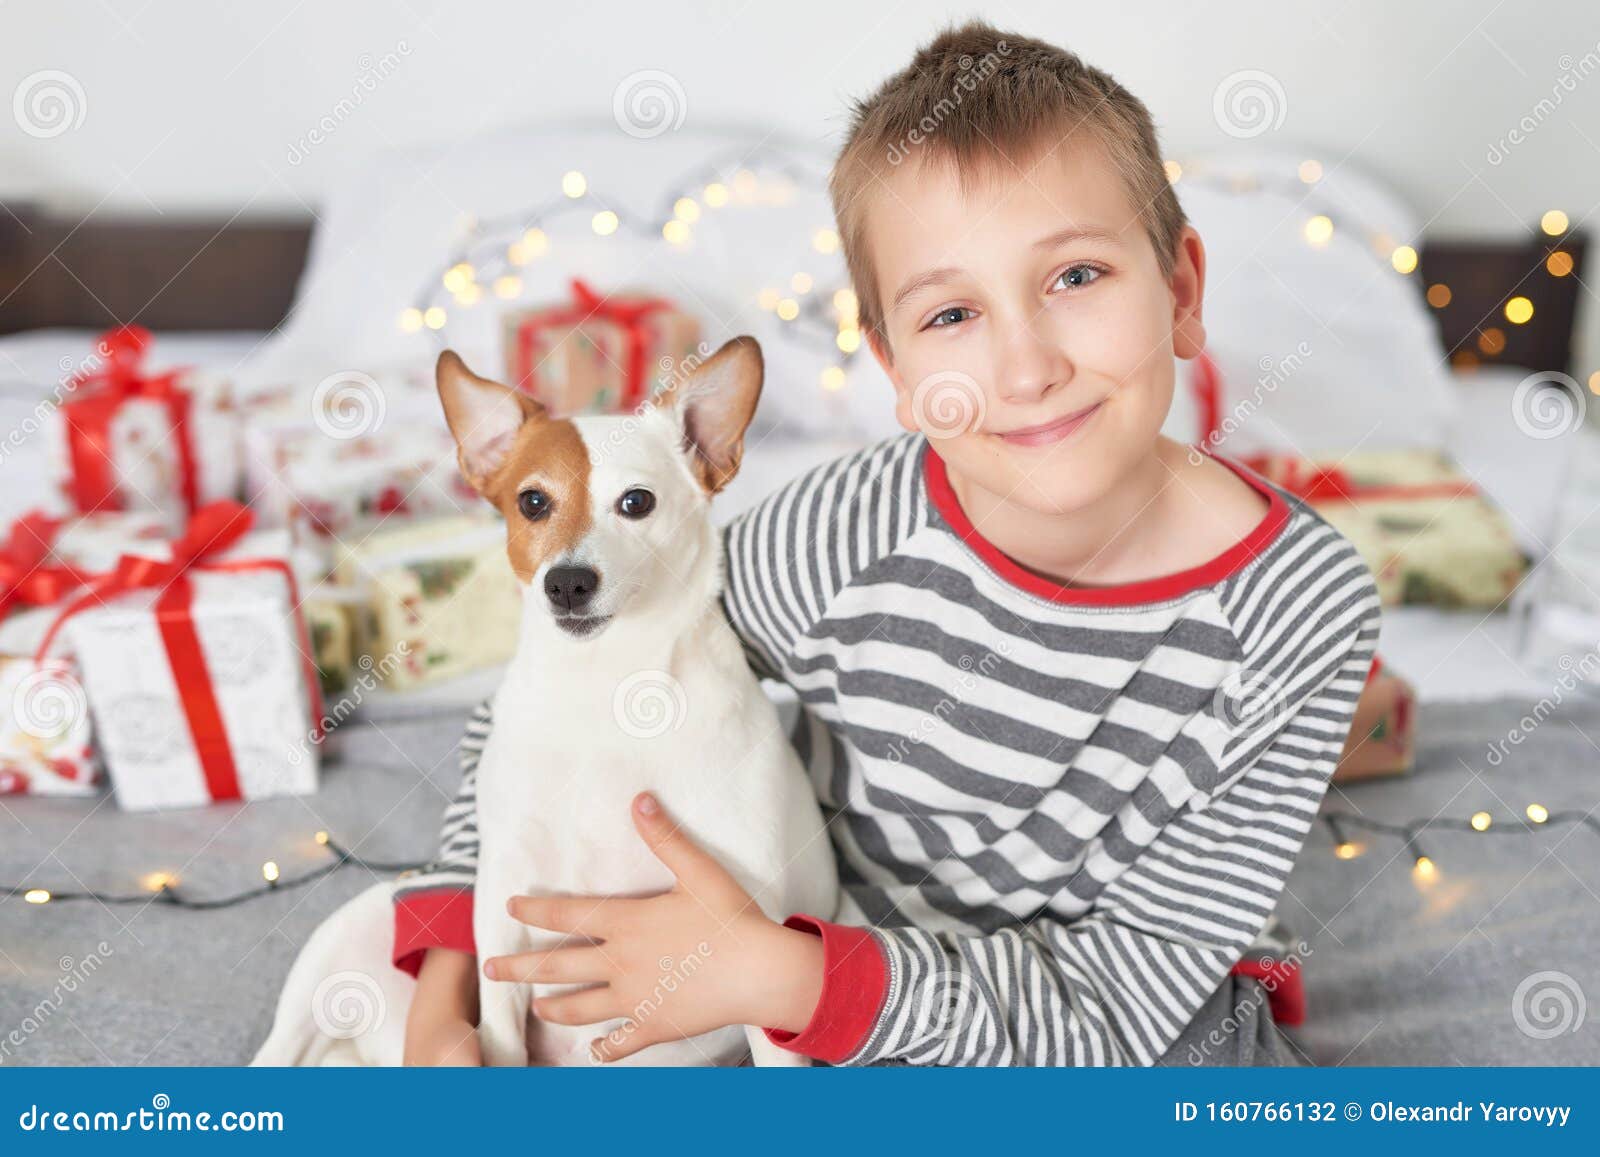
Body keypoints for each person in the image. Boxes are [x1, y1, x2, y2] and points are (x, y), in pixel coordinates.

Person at [395, 20, 1381, 1067]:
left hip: (1097, 1015)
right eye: (953, 311)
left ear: (1179, 290)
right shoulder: (836, 535)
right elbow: (547, 697)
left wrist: (784, 973)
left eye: (1076, 277)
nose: (1025, 365)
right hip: (811, 984)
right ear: (897, 369)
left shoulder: (1298, 608)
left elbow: (1132, 991)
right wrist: (443, 1002)